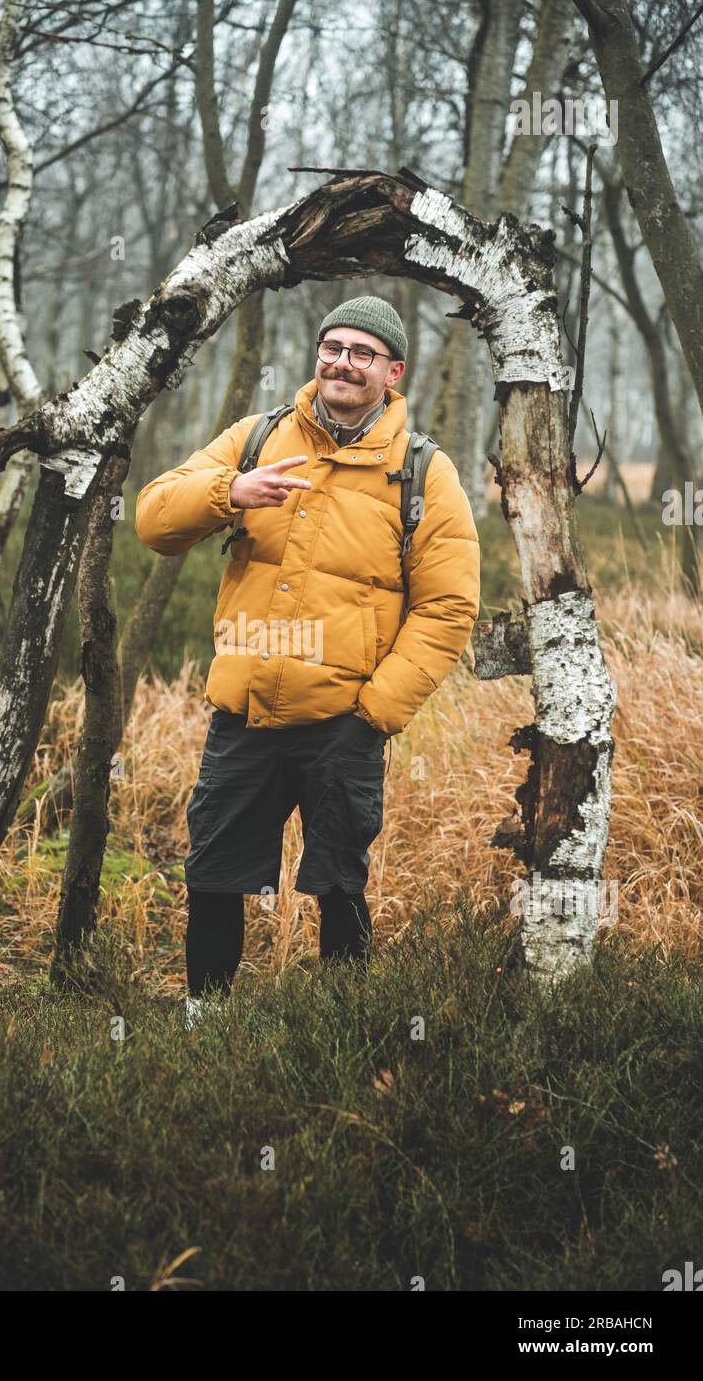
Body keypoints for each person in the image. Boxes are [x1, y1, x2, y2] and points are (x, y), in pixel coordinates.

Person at [135, 295, 480, 1025]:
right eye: (333, 347)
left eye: (361, 352)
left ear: (392, 372)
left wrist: (375, 713)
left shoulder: (421, 471)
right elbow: (154, 520)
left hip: (344, 722)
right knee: (214, 874)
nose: (342, 362)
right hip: (246, 711)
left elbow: (447, 607)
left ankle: (339, 1034)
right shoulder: (257, 437)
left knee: (337, 882)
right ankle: (207, 1025)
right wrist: (229, 492)